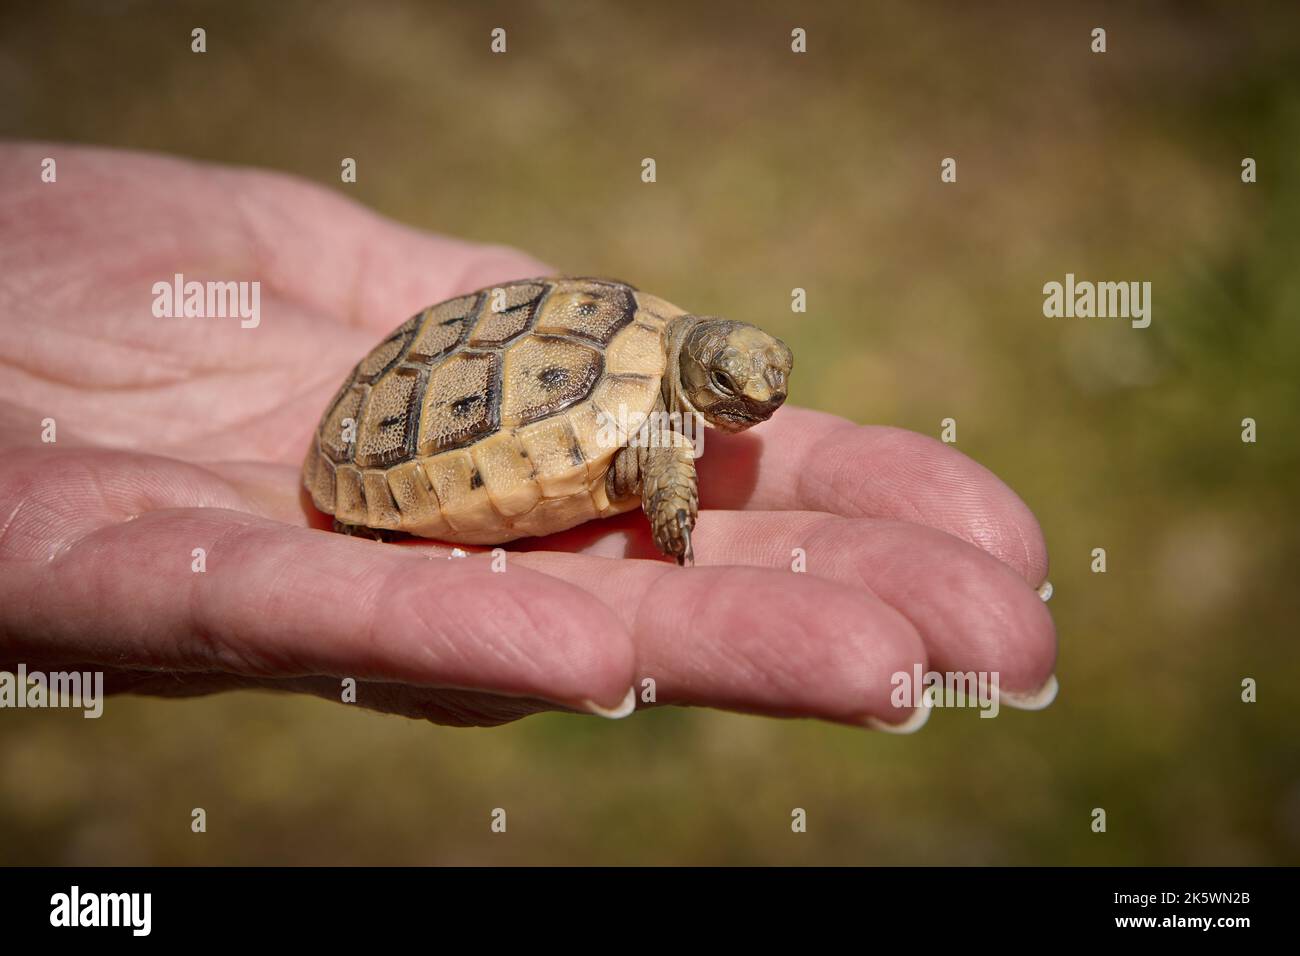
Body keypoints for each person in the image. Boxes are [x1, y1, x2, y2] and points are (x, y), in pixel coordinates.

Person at [0, 144, 1057, 729]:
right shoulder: (651, 416)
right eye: (735, 389)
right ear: (701, 370)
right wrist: (673, 502)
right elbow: (651, 456)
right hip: (400, 435)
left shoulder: (658, 345)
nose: (753, 406)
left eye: (760, 388)